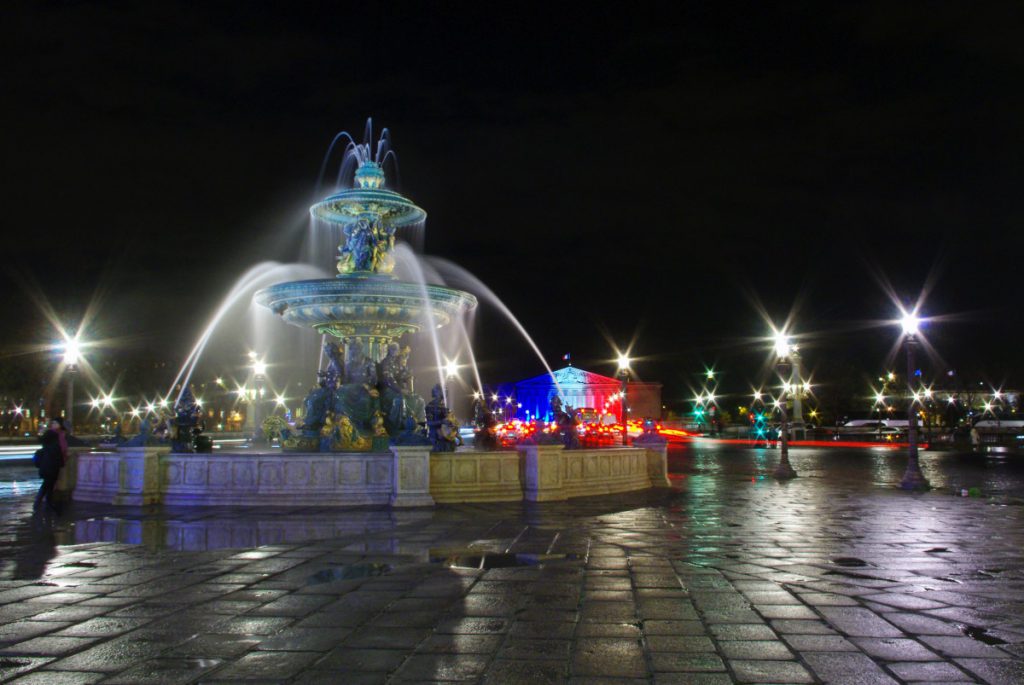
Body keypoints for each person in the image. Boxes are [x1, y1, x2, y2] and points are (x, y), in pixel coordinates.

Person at [34, 419, 67, 513]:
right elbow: (43, 440)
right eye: (53, 423)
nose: (53, 424)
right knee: (47, 484)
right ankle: (38, 503)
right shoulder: (51, 434)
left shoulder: (59, 434)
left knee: (50, 484)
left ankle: (47, 503)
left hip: (52, 463)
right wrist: (40, 432)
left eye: (56, 423)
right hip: (49, 463)